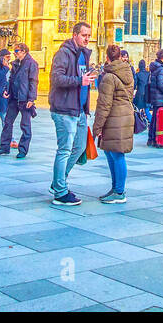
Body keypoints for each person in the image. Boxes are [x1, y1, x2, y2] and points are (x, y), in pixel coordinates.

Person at [48, 22, 94, 206]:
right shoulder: (64, 53)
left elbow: (81, 79)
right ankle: (60, 191)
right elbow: (56, 78)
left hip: (79, 109)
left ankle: (58, 182)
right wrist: (79, 80)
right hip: (64, 109)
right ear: (75, 35)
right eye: (84, 35)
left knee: (80, 147)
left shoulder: (83, 54)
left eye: (89, 35)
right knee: (65, 149)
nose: (87, 38)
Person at [91, 44, 135, 203]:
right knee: (112, 151)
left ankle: (119, 191)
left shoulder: (109, 77)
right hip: (124, 115)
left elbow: (104, 104)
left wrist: (97, 127)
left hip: (115, 117)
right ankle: (116, 188)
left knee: (116, 153)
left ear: (107, 58)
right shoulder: (127, 71)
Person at [0, 45, 37, 158]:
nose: (14, 53)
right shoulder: (15, 63)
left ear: (23, 51)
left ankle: (23, 150)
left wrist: (31, 99)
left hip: (25, 99)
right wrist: (7, 90)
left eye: (16, 51)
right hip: (14, 98)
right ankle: (4, 147)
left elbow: (33, 81)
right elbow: (11, 79)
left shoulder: (31, 63)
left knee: (25, 125)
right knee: (7, 122)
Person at [146, 49, 163, 148]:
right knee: (157, 120)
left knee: (154, 119)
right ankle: (155, 139)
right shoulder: (161, 69)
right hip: (159, 97)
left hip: (155, 96)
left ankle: (151, 139)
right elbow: (161, 84)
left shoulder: (155, 67)